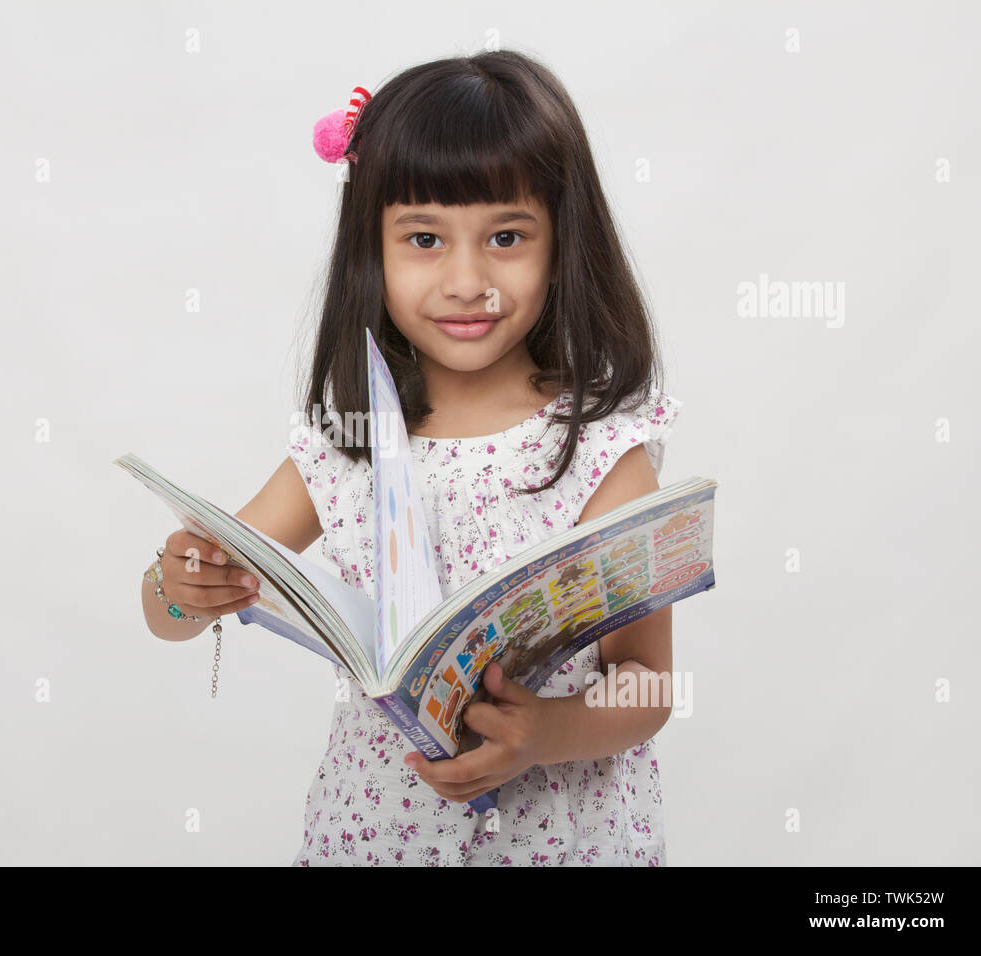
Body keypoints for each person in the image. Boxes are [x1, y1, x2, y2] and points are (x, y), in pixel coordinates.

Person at [140, 49, 684, 866]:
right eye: (424, 238)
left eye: (506, 235)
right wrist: (176, 585)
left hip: (560, 840)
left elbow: (646, 685)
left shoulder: (597, 448)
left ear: (562, 244)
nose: (467, 280)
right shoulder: (347, 445)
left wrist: (545, 734)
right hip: (378, 836)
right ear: (374, 250)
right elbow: (174, 615)